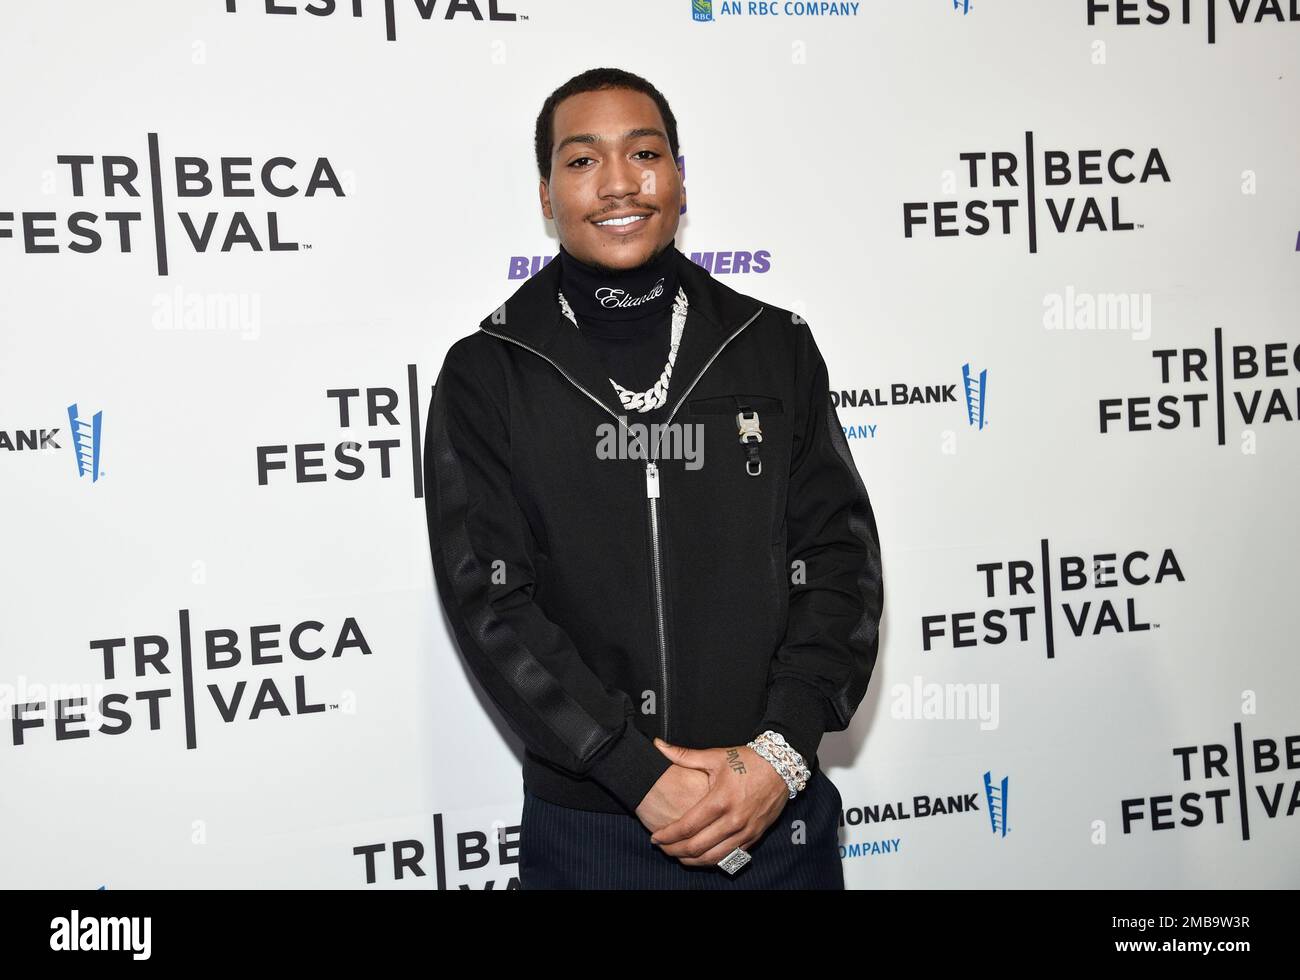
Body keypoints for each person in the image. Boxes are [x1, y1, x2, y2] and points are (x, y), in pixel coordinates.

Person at [423, 67, 884, 889]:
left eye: (643, 153)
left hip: (775, 817)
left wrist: (777, 754)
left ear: (678, 178)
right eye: (582, 161)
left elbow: (839, 565)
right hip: (592, 830)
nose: (618, 184)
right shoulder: (487, 373)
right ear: (546, 194)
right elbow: (492, 604)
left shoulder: (772, 346)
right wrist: (635, 773)